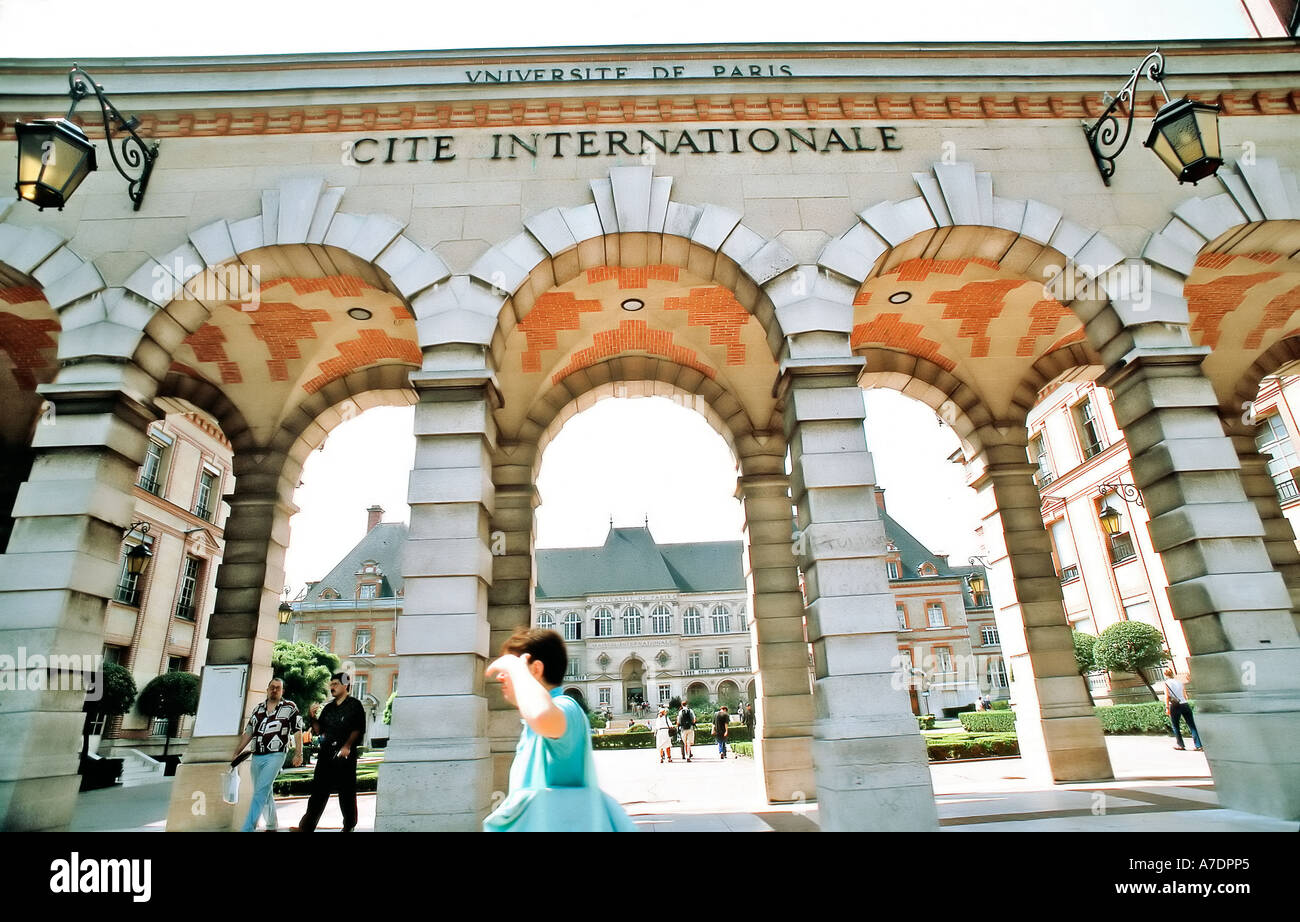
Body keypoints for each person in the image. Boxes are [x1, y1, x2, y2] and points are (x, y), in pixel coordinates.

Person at [483, 628, 636, 832]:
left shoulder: (566, 708)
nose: (501, 676)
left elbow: (541, 715)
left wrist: (516, 669)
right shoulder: (536, 723)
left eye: (510, 670)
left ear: (535, 670)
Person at [293, 672, 366, 832]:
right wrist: (312, 717)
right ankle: (306, 827)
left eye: (335, 684)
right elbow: (319, 731)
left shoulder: (355, 705)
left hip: (345, 756)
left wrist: (347, 746)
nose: (331, 687)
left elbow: (358, 729)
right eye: (331, 684)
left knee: (346, 793)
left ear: (345, 685)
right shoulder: (328, 708)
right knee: (318, 792)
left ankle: (349, 826)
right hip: (326, 755)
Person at [231, 677, 302, 832]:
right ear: (267, 689)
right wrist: (237, 751)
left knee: (260, 791)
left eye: (278, 687)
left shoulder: (290, 707)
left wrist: (299, 753)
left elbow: (297, 731)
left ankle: (247, 828)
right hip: (257, 755)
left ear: (282, 691)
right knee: (265, 791)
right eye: (272, 687)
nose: (275, 690)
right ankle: (271, 825)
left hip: (276, 755)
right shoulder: (258, 709)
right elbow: (248, 732)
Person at [1162, 668, 1203, 751]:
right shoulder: (1179, 682)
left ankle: (1180, 745)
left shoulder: (1166, 683)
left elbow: (1167, 696)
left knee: (1175, 726)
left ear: (1165, 675)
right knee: (1191, 725)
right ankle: (1198, 745)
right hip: (1184, 704)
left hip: (1174, 705)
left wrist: (1167, 708)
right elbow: (1185, 695)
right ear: (1172, 673)